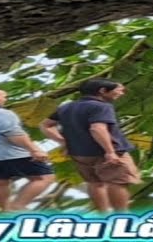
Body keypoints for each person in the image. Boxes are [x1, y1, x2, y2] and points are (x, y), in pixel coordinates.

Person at [40, 79, 140, 212]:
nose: (121, 93)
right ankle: (121, 216)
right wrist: (109, 151)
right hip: (104, 152)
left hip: (79, 153)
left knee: (95, 183)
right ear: (103, 91)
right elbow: (97, 128)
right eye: (118, 90)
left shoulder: (66, 107)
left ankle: (103, 214)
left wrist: (64, 142)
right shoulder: (101, 106)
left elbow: (45, 125)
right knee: (118, 182)